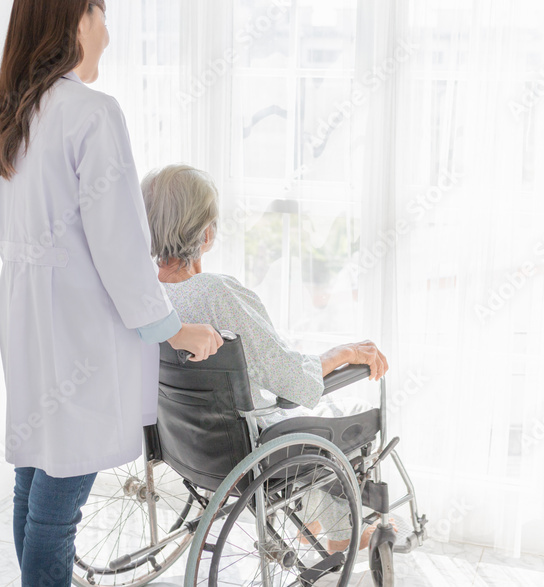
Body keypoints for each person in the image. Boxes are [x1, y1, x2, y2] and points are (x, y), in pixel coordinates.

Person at [0, 0, 221, 587]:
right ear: (77, 20)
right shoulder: (91, 112)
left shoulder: (9, 111)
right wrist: (172, 327)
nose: (107, 32)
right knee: (59, 504)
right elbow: (120, 244)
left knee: (35, 477)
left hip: (26, 311)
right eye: (101, 15)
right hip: (78, 321)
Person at [140, 163, 396, 553]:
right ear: (206, 233)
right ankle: (342, 532)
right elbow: (290, 378)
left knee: (299, 418)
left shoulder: (141, 297)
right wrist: (342, 353)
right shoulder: (218, 294)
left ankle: (314, 515)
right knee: (352, 408)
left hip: (187, 447)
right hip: (249, 452)